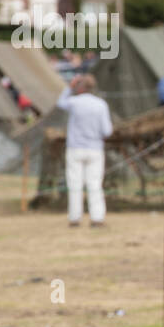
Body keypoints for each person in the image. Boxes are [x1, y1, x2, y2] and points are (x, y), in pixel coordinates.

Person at [58, 74, 114, 227]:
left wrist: (69, 87)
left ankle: (75, 218)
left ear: (80, 87)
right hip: (95, 149)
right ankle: (97, 218)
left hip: (75, 148)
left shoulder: (74, 102)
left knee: (75, 184)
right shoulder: (101, 104)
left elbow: (60, 103)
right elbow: (107, 130)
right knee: (95, 185)